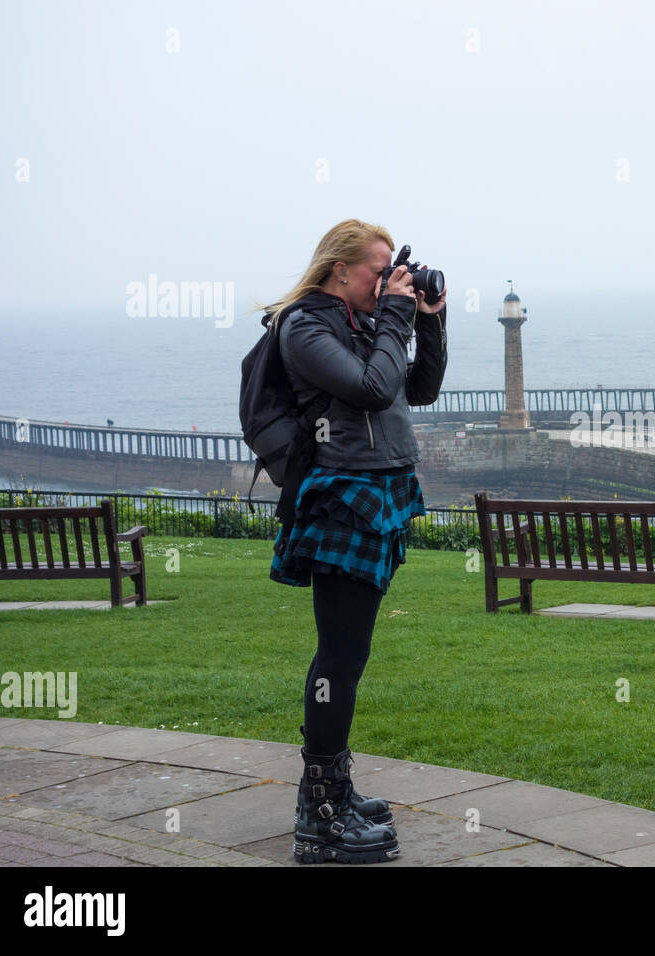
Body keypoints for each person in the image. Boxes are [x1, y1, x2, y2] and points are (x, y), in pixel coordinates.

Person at [262, 219, 447, 864]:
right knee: (339, 656)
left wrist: (426, 320)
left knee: (350, 654)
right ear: (340, 269)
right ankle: (319, 821)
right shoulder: (307, 326)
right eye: (378, 270)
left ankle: (333, 793)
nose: (386, 279)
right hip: (342, 500)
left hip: (378, 495)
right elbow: (369, 389)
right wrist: (395, 314)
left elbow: (416, 389)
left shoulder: (364, 320)